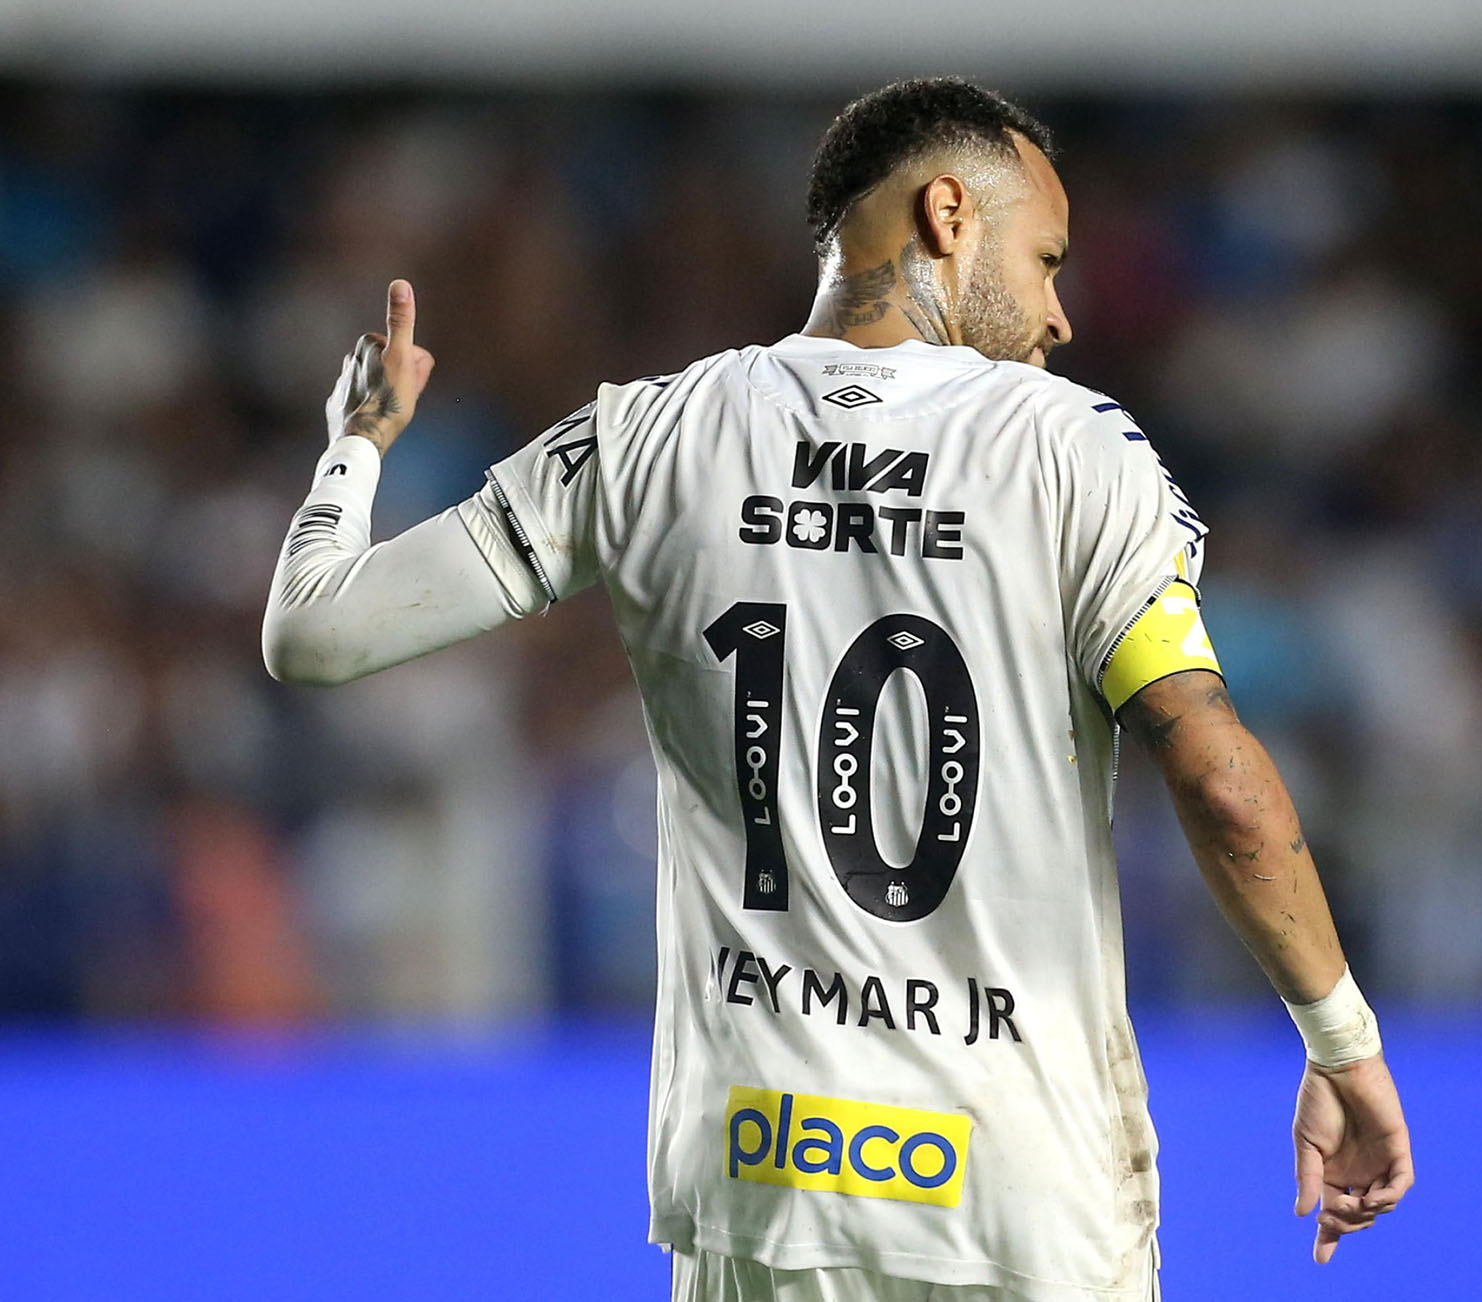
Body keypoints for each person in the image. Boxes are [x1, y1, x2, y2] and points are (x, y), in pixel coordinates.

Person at [261, 77, 1412, 1301]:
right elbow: (1217, 776)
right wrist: (1341, 1039)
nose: (1058, 314)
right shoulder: (1075, 453)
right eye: (1047, 258)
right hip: (1015, 1190)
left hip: (760, 1180)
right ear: (950, 215)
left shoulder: (649, 435)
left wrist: (360, 442)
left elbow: (313, 632)